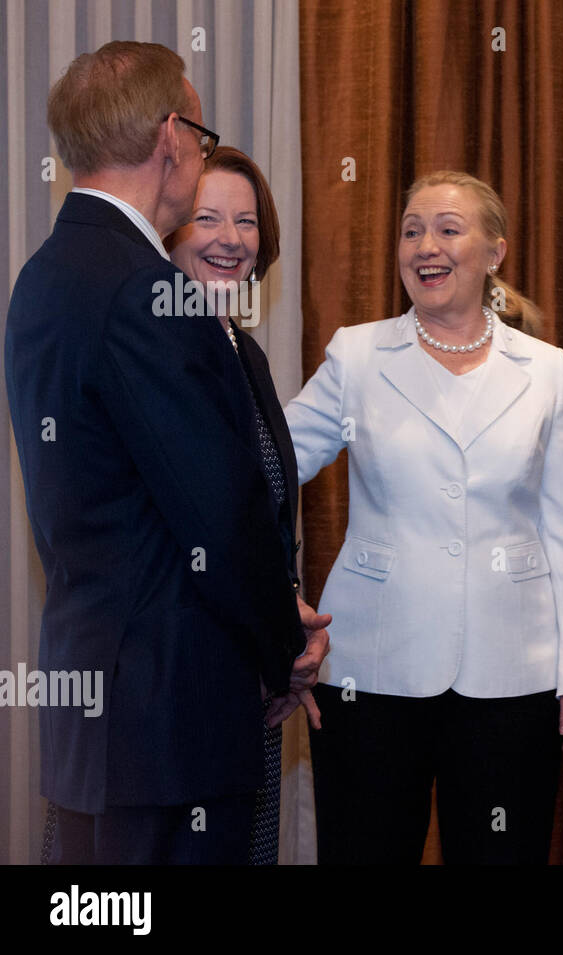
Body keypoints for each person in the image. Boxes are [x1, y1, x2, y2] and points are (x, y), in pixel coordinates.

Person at [5, 41, 325, 865]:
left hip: (101, 724)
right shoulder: (151, 293)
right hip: (169, 723)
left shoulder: (44, 276)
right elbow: (218, 514)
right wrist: (284, 651)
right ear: (172, 135)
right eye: (204, 140)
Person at [286, 170, 563, 865]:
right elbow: (266, 469)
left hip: (512, 678)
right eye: (410, 230)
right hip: (370, 673)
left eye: (447, 229)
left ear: (495, 252)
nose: (424, 245)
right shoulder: (358, 355)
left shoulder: (546, 369)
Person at [166, 146, 330, 864]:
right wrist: (279, 646)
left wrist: (287, 637)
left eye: (246, 220)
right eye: (206, 218)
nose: (230, 239)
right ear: (169, 230)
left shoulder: (244, 351)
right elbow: (191, 531)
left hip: (251, 690)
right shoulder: (163, 349)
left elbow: (258, 523)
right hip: (183, 688)